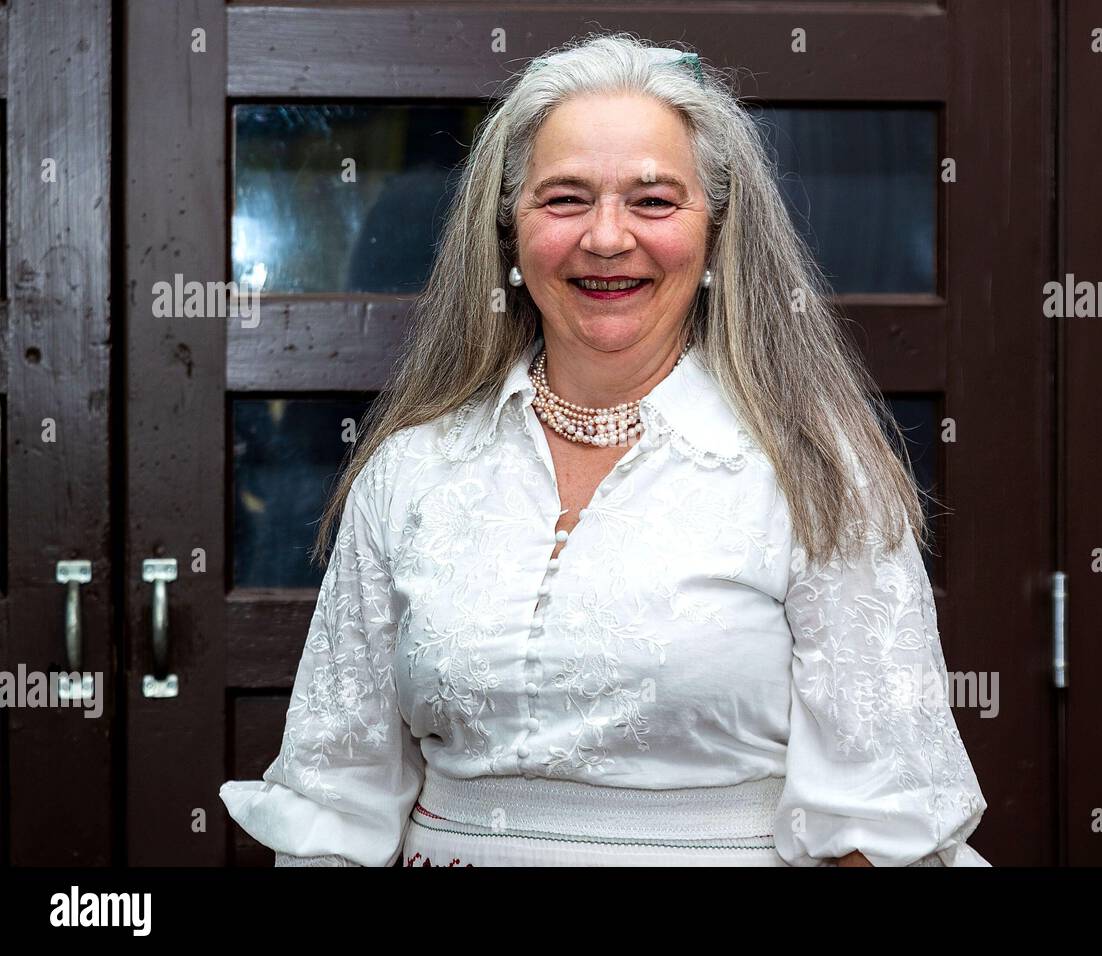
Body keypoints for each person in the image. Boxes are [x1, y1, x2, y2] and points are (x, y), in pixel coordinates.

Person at [219, 32, 990, 867]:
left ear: (714, 236)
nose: (608, 237)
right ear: (509, 233)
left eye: (654, 201)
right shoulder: (411, 473)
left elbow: (881, 826)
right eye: (565, 199)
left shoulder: (817, 473)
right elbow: (337, 805)